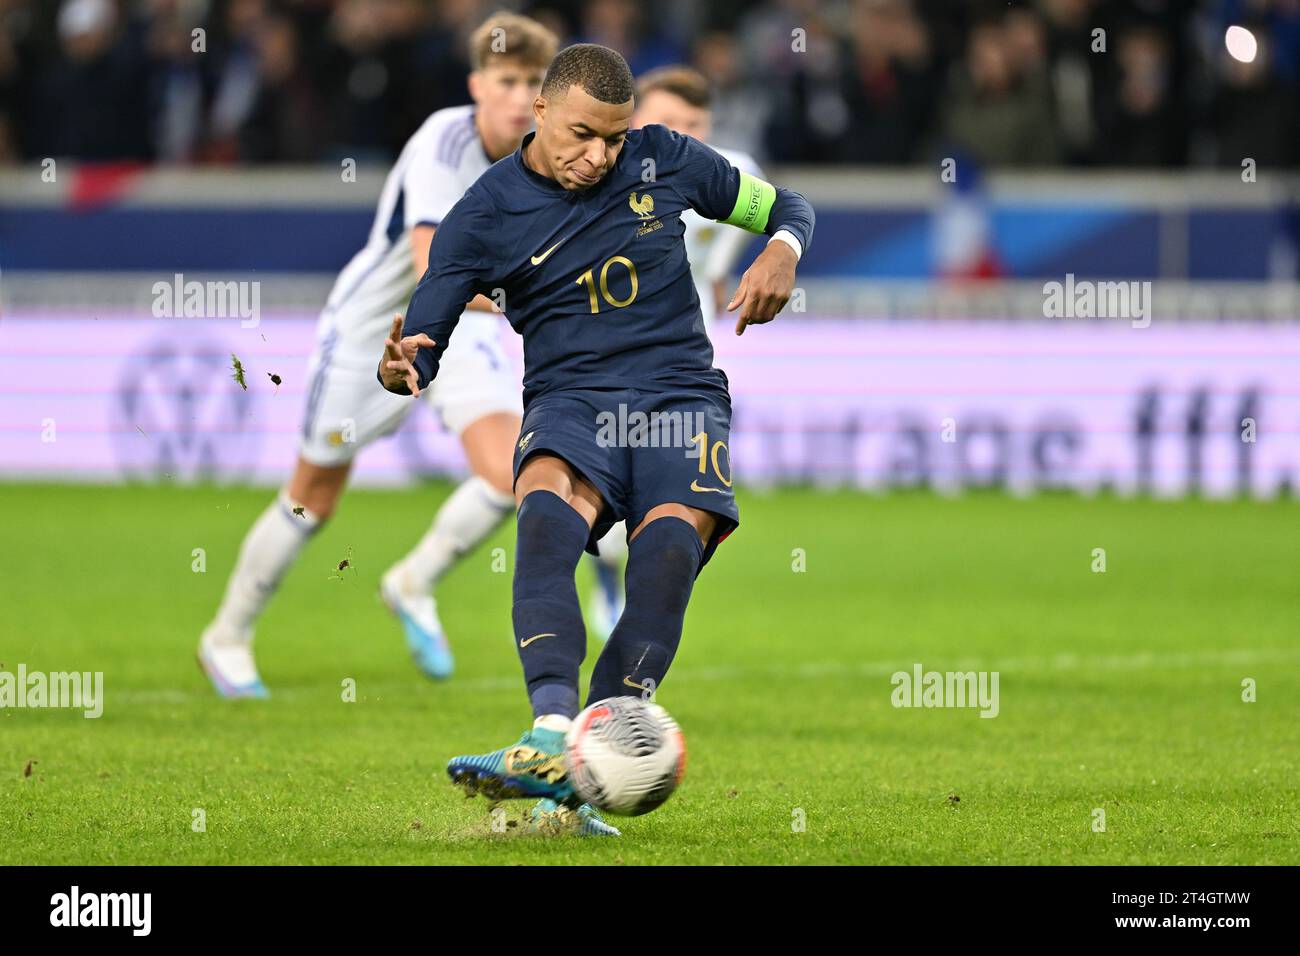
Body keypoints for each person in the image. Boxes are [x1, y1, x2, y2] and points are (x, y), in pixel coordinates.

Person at [378, 44, 814, 832]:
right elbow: (425, 338)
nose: (599, 156)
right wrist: (404, 363)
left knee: (669, 554)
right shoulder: (482, 213)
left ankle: (582, 767)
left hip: (681, 395)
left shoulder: (667, 159)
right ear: (540, 110)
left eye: (613, 138)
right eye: (582, 134)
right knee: (544, 511)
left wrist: (783, 251)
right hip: (571, 398)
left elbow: (788, 208)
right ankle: (548, 731)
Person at [198, 13, 557, 697]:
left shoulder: (548, 158)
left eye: (534, 83)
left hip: (466, 328)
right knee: (315, 495)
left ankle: (413, 581)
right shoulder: (442, 145)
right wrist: (541, 301)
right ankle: (227, 636)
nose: (520, 96)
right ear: (478, 83)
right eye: (508, 79)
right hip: (375, 327)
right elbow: (433, 272)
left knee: (515, 471)